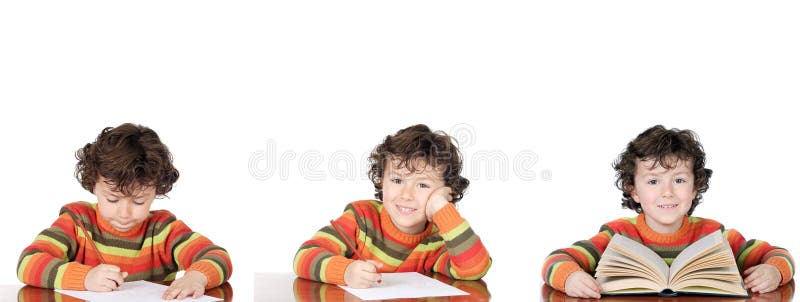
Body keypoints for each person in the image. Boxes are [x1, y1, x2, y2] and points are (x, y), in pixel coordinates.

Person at [541, 125, 795, 298]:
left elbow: (778, 255)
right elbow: (556, 260)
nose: (667, 192)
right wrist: (570, 278)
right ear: (634, 191)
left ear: (695, 187)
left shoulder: (716, 235)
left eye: (679, 180)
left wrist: (774, 271)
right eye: (653, 181)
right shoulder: (617, 234)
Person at [17, 123, 232, 300]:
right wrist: (85, 277)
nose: (124, 213)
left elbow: (218, 256)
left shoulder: (164, 231)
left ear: (156, 191)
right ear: (93, 185)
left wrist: (197, 276)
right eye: (112, 199)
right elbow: (28, 262)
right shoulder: (77, 223)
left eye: (138, 201)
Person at [294, 124, 491, 288]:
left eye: (423, 185)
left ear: (446, 191)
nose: (406, 195)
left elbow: (474, 268)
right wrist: (345, 272)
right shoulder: (361, 218)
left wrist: (441, 208)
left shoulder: (438, 240)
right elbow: (304, 257)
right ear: (381, 180)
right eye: (397, 180)